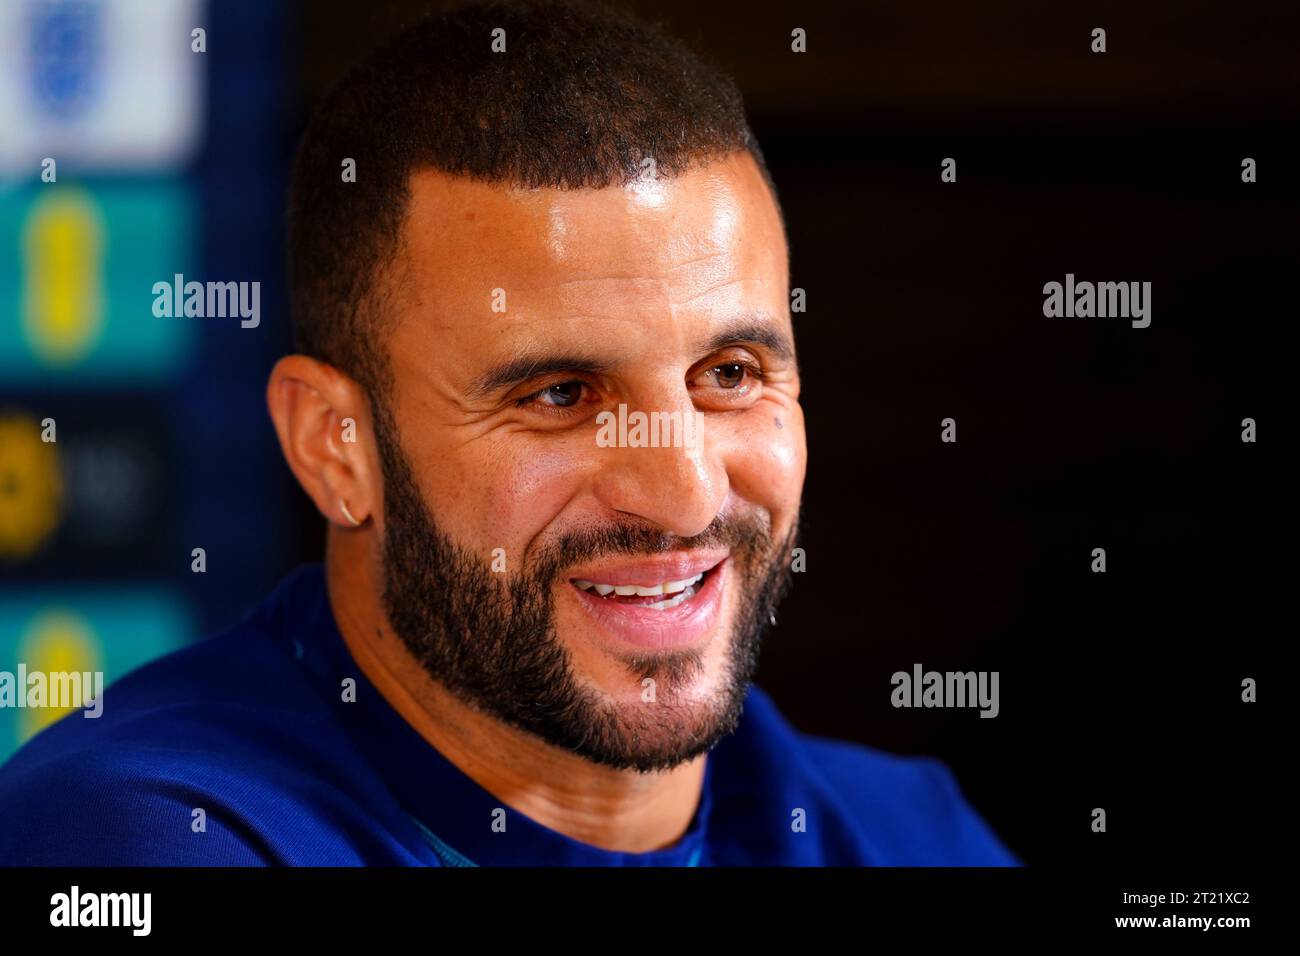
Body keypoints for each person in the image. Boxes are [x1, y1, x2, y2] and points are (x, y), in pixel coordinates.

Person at [0, 0, 1018, 866]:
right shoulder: (137, 836)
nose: (684, 493)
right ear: (333, 445)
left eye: (729, 375)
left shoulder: (910, 833)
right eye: (559, 394)